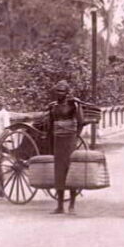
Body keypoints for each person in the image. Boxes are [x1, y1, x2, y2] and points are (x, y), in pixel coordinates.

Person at [47, 80, 84, 215]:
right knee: (59, 172)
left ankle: (72, 205)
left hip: (70, 141)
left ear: (67, 93)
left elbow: (80, 122)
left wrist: (75, 136)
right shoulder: (53, 107)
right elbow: (50, 126)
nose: (59, 94)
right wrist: (50, 142)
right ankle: (60, 206)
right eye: (57, 91)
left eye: (62, 91)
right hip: (58, 142)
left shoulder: (73, 106)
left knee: (71, 171)